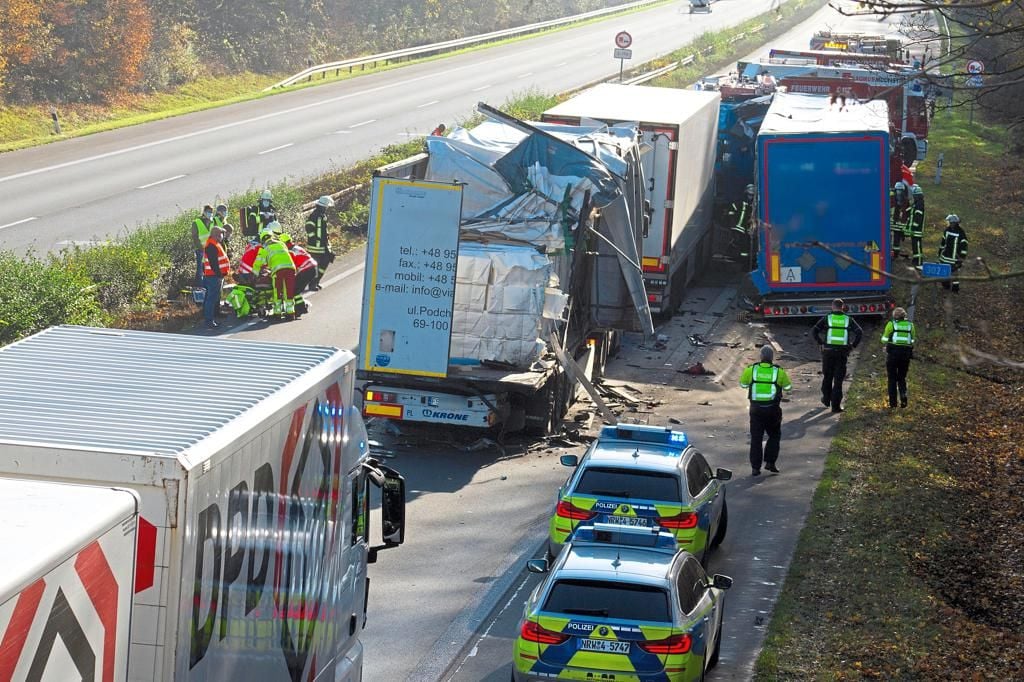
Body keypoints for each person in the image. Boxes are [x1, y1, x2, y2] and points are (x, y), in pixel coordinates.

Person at [739, 345, 792, 476]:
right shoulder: (779, 372)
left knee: (756, 438)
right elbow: (788, 387)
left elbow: (743, 384)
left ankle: (755, 468)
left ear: (761, 357)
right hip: (772, 410)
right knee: (774, 435)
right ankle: (770, 462)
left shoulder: (751, 370)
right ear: (772, 358)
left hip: (756, 410)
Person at [812, 298, 863, 413]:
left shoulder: (827, 318)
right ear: (843, 307)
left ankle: (826, 399)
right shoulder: (848, 319)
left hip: (828, 352)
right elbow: (859, 332)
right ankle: (836, 407)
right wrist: (853, 346)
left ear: (832, 306)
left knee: (827, 377)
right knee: (838, 380)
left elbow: (814, 331)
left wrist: (821, 343)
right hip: (842, 353)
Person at [253, 222, 297, 318]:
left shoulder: (265, 248)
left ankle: (277, 312)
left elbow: (257, 264)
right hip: (291, 268)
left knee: (278, 291)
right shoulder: (281, 243)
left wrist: (254, 276)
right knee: (288, 290)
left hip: (278, 270)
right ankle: (290, 312)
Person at [881, 307, 916, 409]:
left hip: (892, 355)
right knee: (902, 378)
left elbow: (883, 339)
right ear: (904, 315)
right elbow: (913, 340)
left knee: (892, 379)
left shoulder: (891, 324)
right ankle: (903, 397)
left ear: (894, 315)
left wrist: (886, 344)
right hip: (905, 355)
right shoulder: (910, 325)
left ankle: (893, 404)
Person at [201, 226, 229, 329]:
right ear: (216, 235)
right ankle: (209, 320)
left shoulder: (214, 244)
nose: (222, 236)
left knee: (214, 297)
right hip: (213, 276)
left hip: (214, 276)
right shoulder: (211, 245)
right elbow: (214, 263)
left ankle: (215, 314)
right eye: (221, 234)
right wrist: (219, 275)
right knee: (211, 299)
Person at [305, 195, 335, 289]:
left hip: (322, 246)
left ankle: (315, 282)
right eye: (326, 207)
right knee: (315, 267)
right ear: (322, 206)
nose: (326, 209)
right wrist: (314, 239)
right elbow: (308, 227)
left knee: (325, 262)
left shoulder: (322, 216)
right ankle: (312, 284)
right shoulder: (314, 216)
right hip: (315, 247)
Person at [938, 214, 969, 293]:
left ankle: (955, 288)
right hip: (945, 256)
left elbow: (964, 246)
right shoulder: (947, 230)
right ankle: (945, 285)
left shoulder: (961, 233)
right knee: (945, 271)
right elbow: (943, 242)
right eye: (949, 222)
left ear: (955, 223)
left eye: (951, 222)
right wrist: (940, 252)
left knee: (954, 273)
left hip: (955, 258)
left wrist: (961, 258)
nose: (950, 224)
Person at [726, 184, 755, 264]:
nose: (750, 197)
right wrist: (732, 221)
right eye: (749, 195)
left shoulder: (753, 205)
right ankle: (739, 259)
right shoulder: (739, 202)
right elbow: (731, 209)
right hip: (737, 227)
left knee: (744, 246)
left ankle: (743, 262)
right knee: (738, 243)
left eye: (752, 195)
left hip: (744, 229)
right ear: (746, 193)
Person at [192, 205, 214, 285]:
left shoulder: (212, 222)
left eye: (211, 212)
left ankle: (206, 285)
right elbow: (195, 237)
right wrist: (201, 248)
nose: (210, 214)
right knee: (200, 270)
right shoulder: (196, 222)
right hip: (201, 250)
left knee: (208, 269)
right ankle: (199, 286)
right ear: (204, 212)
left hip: (210, 250)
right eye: (208, 212)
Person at [890, 181, 909, 259]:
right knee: (895, 240)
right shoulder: (906, 200)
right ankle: (895, 254)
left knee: (894, 240)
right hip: (898, 224)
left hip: (893, 223)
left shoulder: (892, 198)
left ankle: (893, 254)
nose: (899, 193)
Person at [907, 184, 925, 268]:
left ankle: (919, 261)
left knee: (917, 245)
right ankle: (915, 259)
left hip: (917, 230)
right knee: (914, 245)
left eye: (914, 195)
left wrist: (914, 226)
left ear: (917, 195)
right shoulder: (916, 204)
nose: (913, 197)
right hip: (914, 230)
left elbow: (918, 217)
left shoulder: (919, 205)